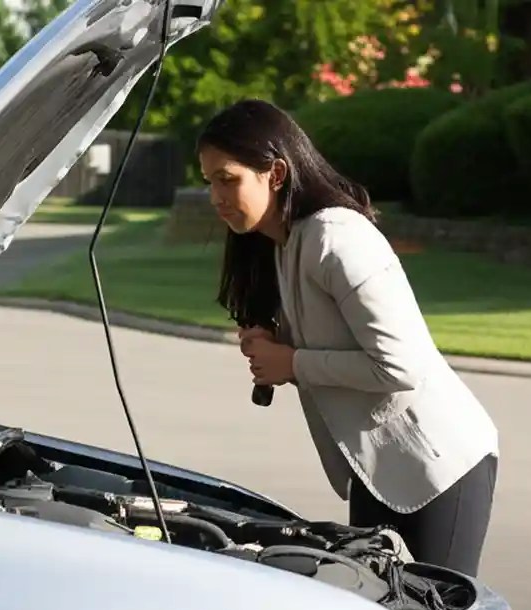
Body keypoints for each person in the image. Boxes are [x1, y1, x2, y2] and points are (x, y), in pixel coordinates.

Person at [196, 98, 501, 577]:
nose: (215, 196)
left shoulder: (335, 237)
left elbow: (400, 366)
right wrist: (279, 348)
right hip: (376, 472)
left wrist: (292, 362)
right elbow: (334, 351)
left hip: (438, 468)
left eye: (227, 178)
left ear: (275, 173)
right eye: (209, 181)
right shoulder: (284, 243)